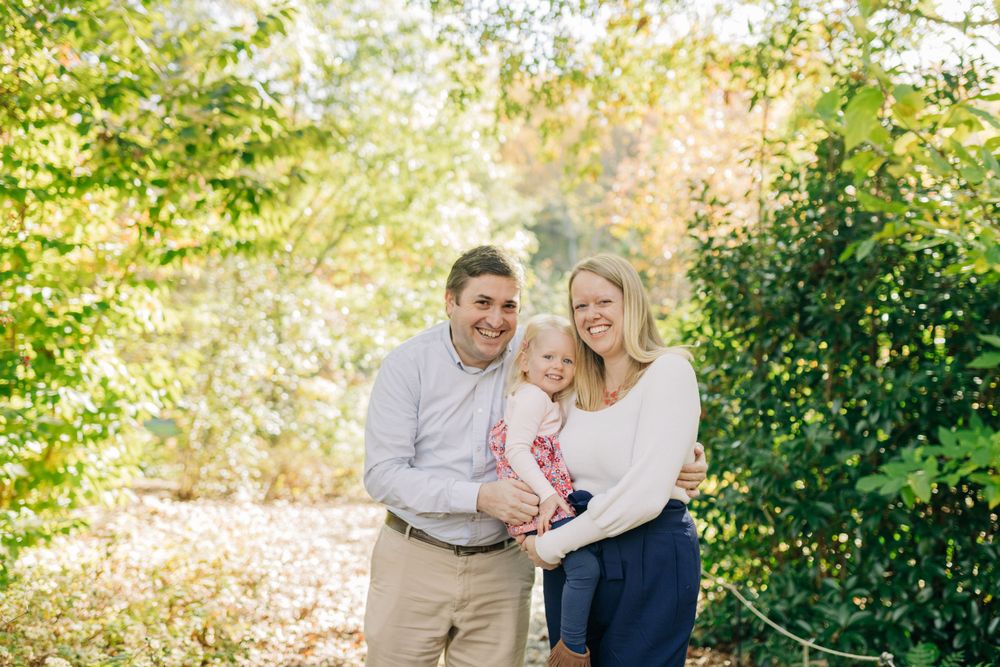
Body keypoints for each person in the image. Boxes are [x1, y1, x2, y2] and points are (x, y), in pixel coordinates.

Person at [363, 245, 707, 667]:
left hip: (527, 560)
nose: (495, 319)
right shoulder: (412, 365)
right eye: (482, 302)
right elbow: (382, 474)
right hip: (425, 555)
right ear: (450, 301)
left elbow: (632, 460)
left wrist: (682, 457)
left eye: (509, 306)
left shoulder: (550, 362)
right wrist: (481, 498)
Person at [521, 254, 702, 667]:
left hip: (647, 555)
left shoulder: (668, 372)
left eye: (603, 302)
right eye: (580, 306)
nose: (591, 315)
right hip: (577, 565)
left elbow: (644, 497)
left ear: (631, 303)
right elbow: (533, 453)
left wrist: (549, 545)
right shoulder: (570, 387)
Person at [487, 313, 600, 664]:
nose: (558, 366)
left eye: (568, 360)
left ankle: (569, 640)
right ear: (524, 360)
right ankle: (571, 648)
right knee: (585, 569)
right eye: (548, 357)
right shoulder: (534, 396)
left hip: (542, 500)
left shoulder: (541, 398)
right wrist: (549, 495)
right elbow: (516, 450)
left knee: (574, 566)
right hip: (540, 503)